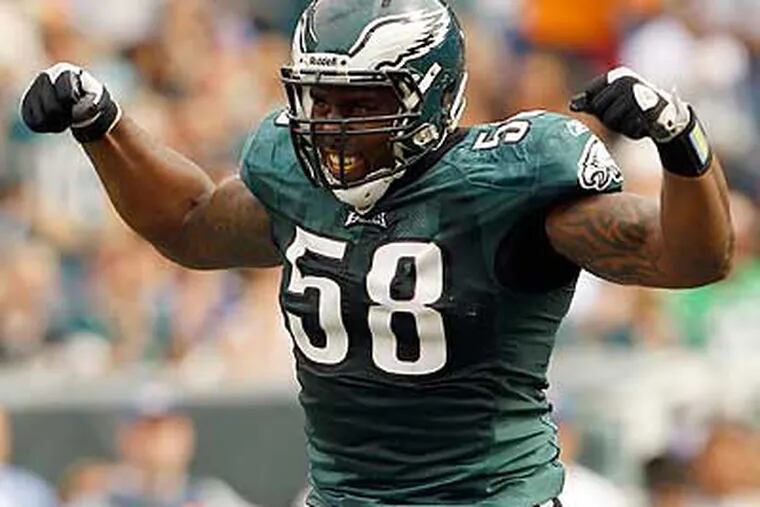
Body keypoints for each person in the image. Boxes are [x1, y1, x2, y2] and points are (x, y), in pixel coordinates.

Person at [19, 0, 734, 505]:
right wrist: (103, 124)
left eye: (359, 104)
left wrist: (681, 142)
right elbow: (190, 223)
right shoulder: (297, 183)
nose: (331, 125)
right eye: (320, 99)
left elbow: (692, 258)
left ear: (429, 98)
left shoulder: (505, 185)